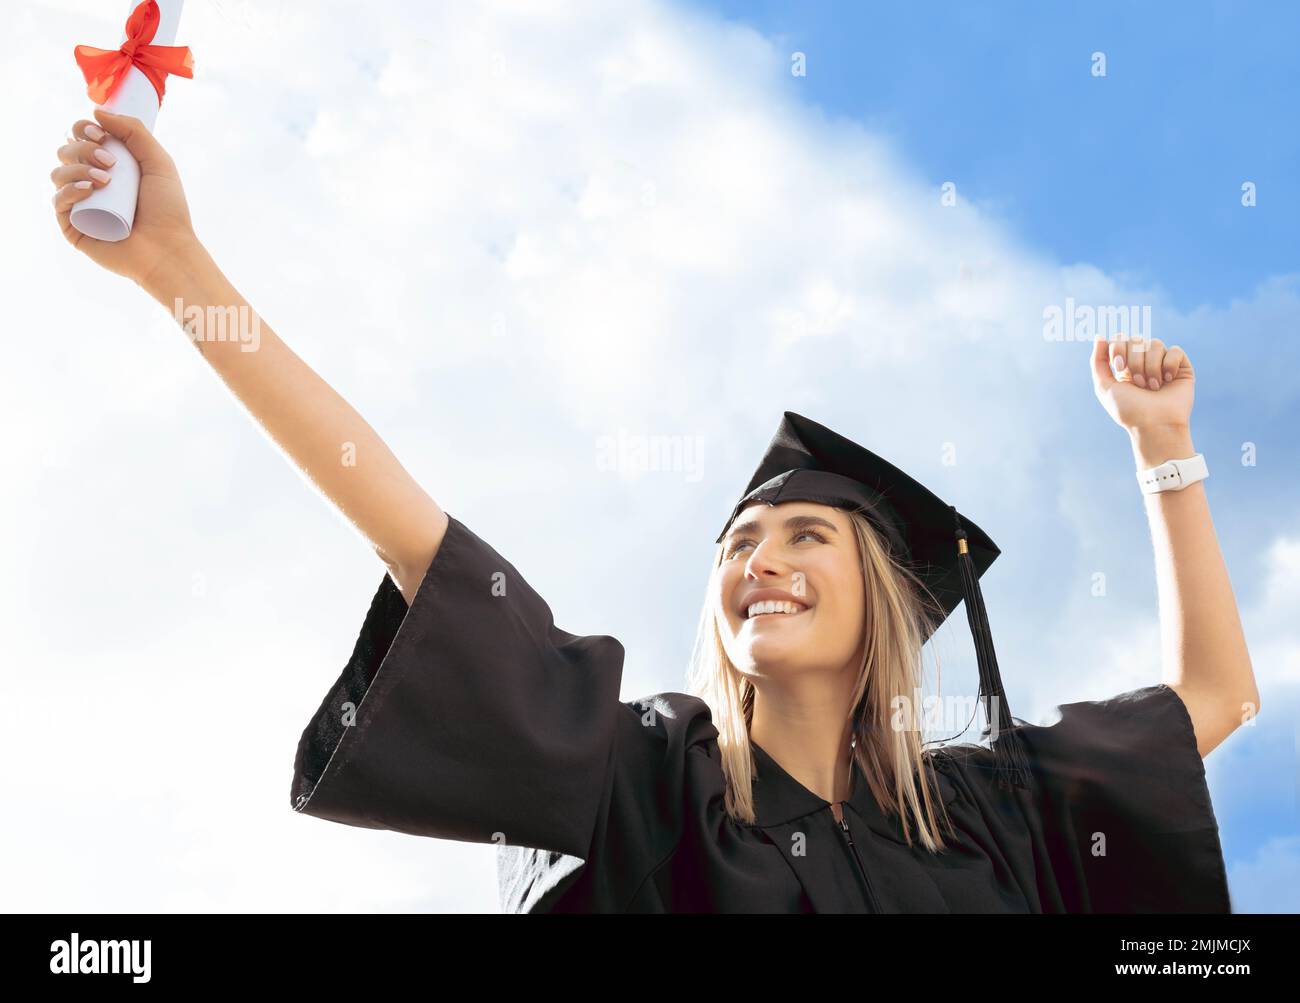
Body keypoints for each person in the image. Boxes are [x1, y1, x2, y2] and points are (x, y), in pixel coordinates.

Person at [51, 110, 1260, 913]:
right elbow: (414, 536)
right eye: (738, 544)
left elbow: (1218, 698)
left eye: (804, 535)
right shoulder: (650, 781)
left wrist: (1165, 453)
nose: (760, 561)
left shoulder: (991, 811)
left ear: (883, 593)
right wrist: (181, 274)